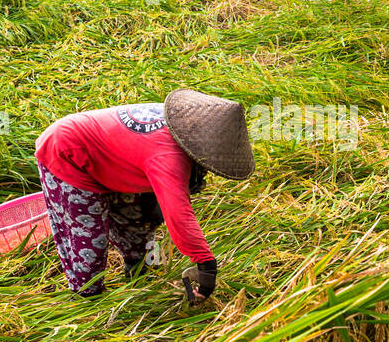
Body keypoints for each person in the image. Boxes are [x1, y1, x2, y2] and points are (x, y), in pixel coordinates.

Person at [34, 89, 254, 302]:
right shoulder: (168, 157)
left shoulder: (182, 125)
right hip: (66, 151)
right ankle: (88, 298)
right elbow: (179, 215)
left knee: (141, 216)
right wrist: (206, 265)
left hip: (108, 157)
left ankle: (137, 267)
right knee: (89, 235)